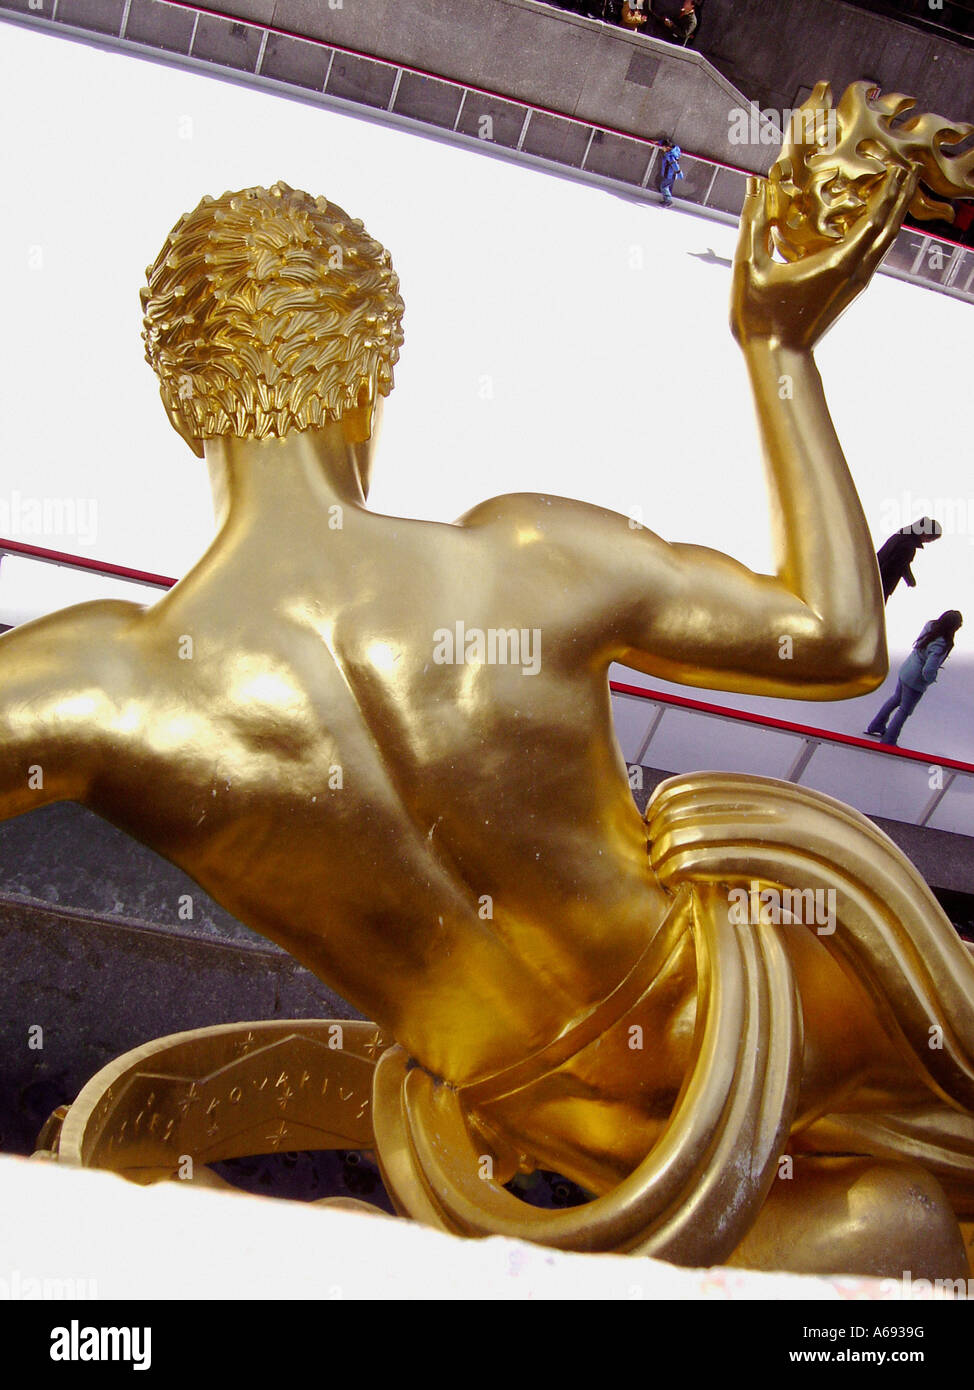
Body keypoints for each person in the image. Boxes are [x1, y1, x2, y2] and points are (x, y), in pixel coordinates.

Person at [3, 153, 974, 1273]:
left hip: (577, 1122)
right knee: (904, 1229)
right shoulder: (528, 561)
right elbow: (836, 633)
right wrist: (780, 346)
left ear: (183, 404)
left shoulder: (105, 690)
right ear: (373, 373)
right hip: (785, 1010)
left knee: (894, 1234)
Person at [865, 610, 963, 745]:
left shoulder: (930, 626)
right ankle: (889, 740)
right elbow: (929, 669)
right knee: (904, 710)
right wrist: (930, 678)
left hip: (906, 669)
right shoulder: (942, 644)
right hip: (915, 681)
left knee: (895, 699)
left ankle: (877, 725)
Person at [876, 516, 942, 601]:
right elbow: (899, 566)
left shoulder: (902, 534)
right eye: (931, 539)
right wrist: (910, 580)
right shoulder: (909, 546)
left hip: (873, 572)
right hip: (881, 586)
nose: (928, 542)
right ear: (926, 534)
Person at [659, 139, 684, 206]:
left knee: (664, 186)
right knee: (666, 186)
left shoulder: (670, 156)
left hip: (670, 174)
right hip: (670, 174)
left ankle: (668, 201)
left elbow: (675, 165)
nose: (662, 148)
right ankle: (666, 200)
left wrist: (679, 173)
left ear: (668, 148)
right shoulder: (676, 149)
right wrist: (658, 142)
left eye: (663, 147)